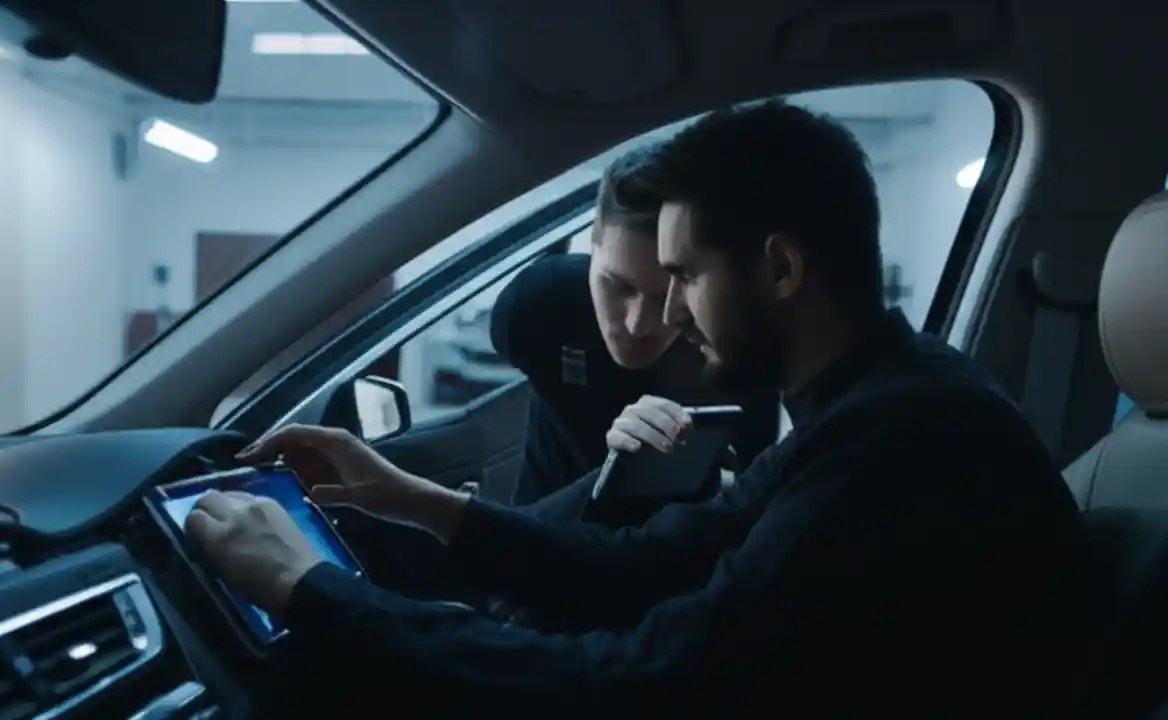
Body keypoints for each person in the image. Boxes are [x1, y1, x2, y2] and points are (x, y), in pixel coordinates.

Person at [186, 100, 1092, 716]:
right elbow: (639, 562)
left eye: (688, 277)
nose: (670, 315)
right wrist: (407, 496)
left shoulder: (903, 440)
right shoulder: (873, 404)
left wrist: (310, 589)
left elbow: (634, 684)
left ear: (780, 269)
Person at [491, 146, 778, 518]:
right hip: (528, 549)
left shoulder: (733, 352)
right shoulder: (538, 307)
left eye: (665, 295)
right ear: (593, 238)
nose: (637, 324)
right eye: (618, 285)